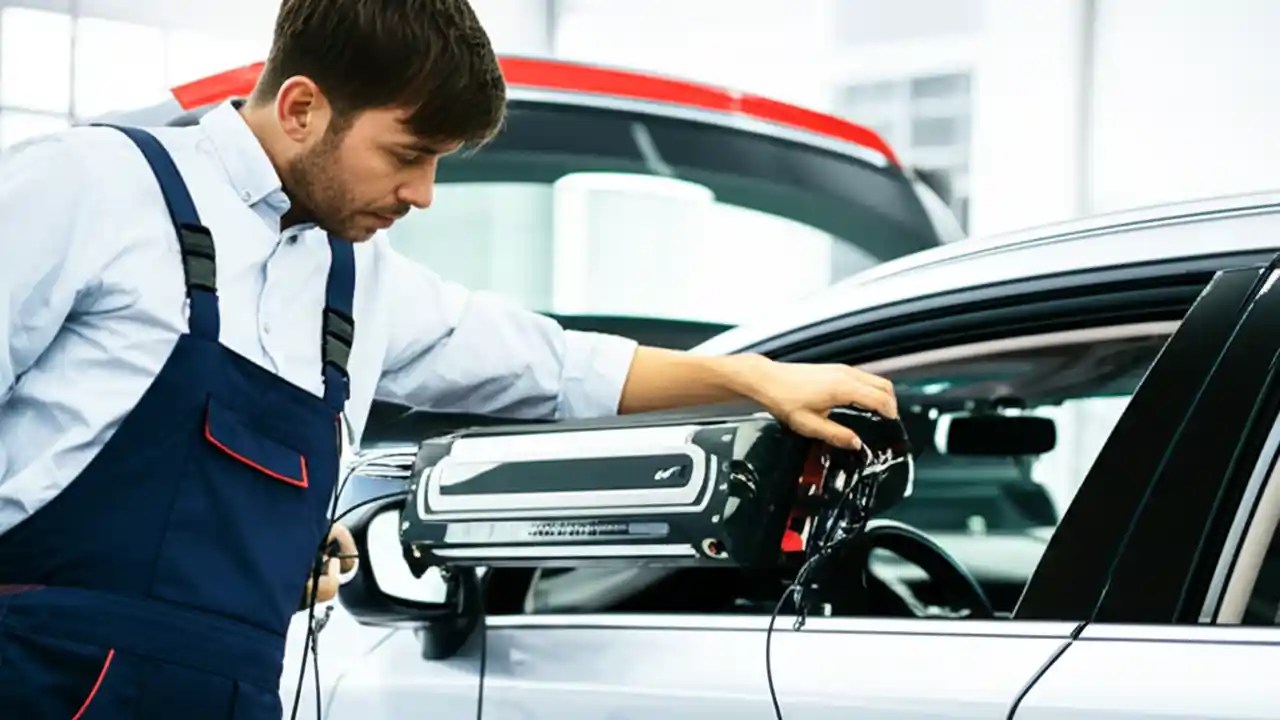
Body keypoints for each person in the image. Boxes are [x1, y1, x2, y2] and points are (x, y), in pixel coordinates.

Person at [0, 0, 896, 717]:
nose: (422, 194)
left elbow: (550, 367)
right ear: (303, 107)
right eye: (408, 154)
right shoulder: (91, 186)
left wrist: (755, 380)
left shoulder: (360, 284)